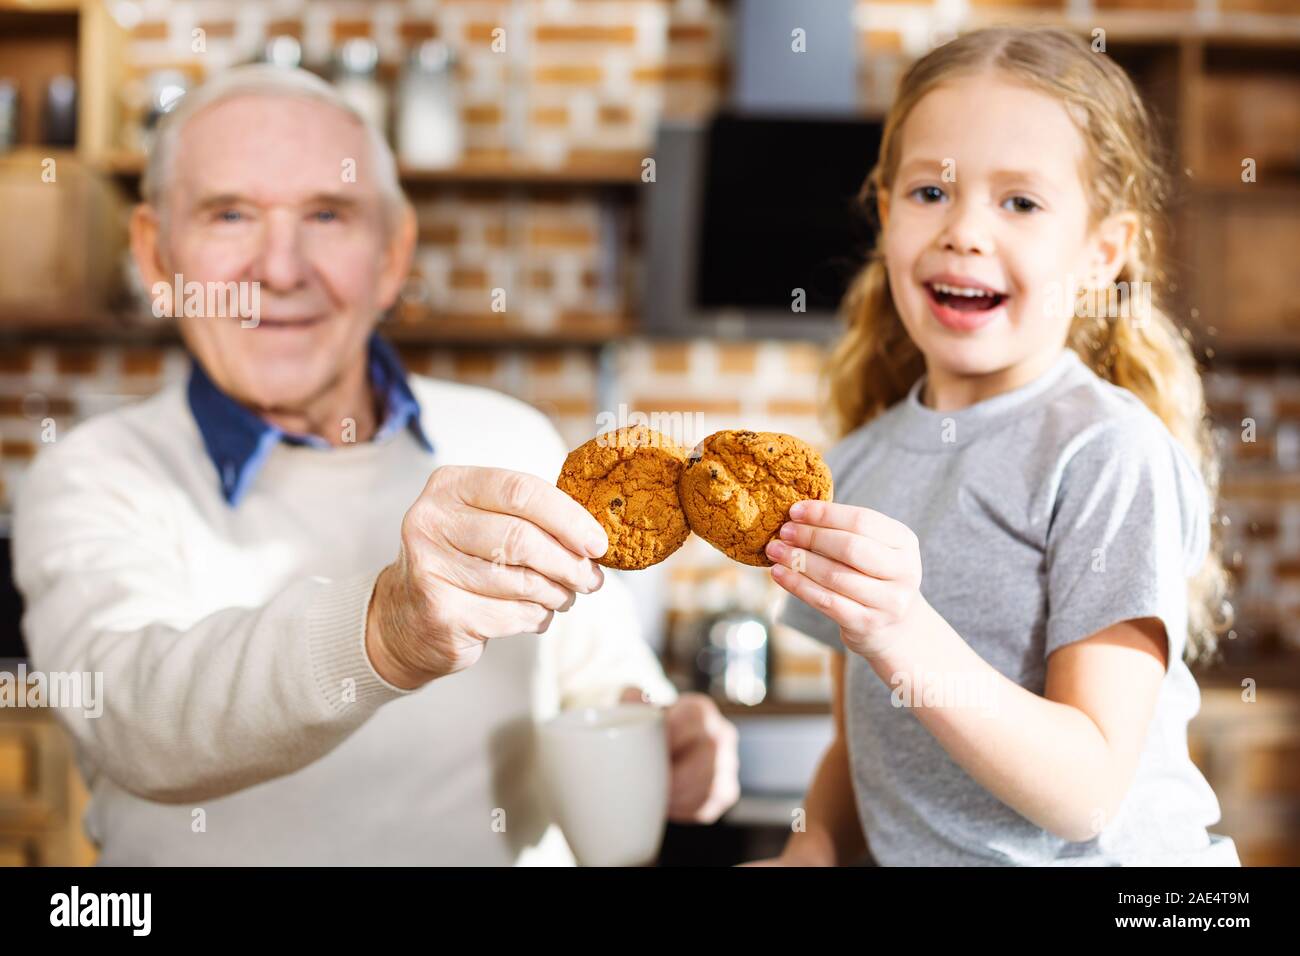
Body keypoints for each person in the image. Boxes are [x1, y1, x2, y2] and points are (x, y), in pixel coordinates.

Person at [13, 65, 737, 865]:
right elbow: (134, 719)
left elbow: (598, 677)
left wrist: (656, 729)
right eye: (229, 214)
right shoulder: (93, 475)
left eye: (328, 212)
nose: (280, 268)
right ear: (155, 256)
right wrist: (385, 632)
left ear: (392, 256)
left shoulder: (510, 439)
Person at [754, 27, 1239, 866]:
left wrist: (901, 629)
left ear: (1101, 253)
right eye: (929, 193)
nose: (964, 232)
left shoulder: (1106, 453)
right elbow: (858, 752)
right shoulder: (858, 463)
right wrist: (810, 854)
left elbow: (1086, 793)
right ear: (885, 210)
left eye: (1020, 202)